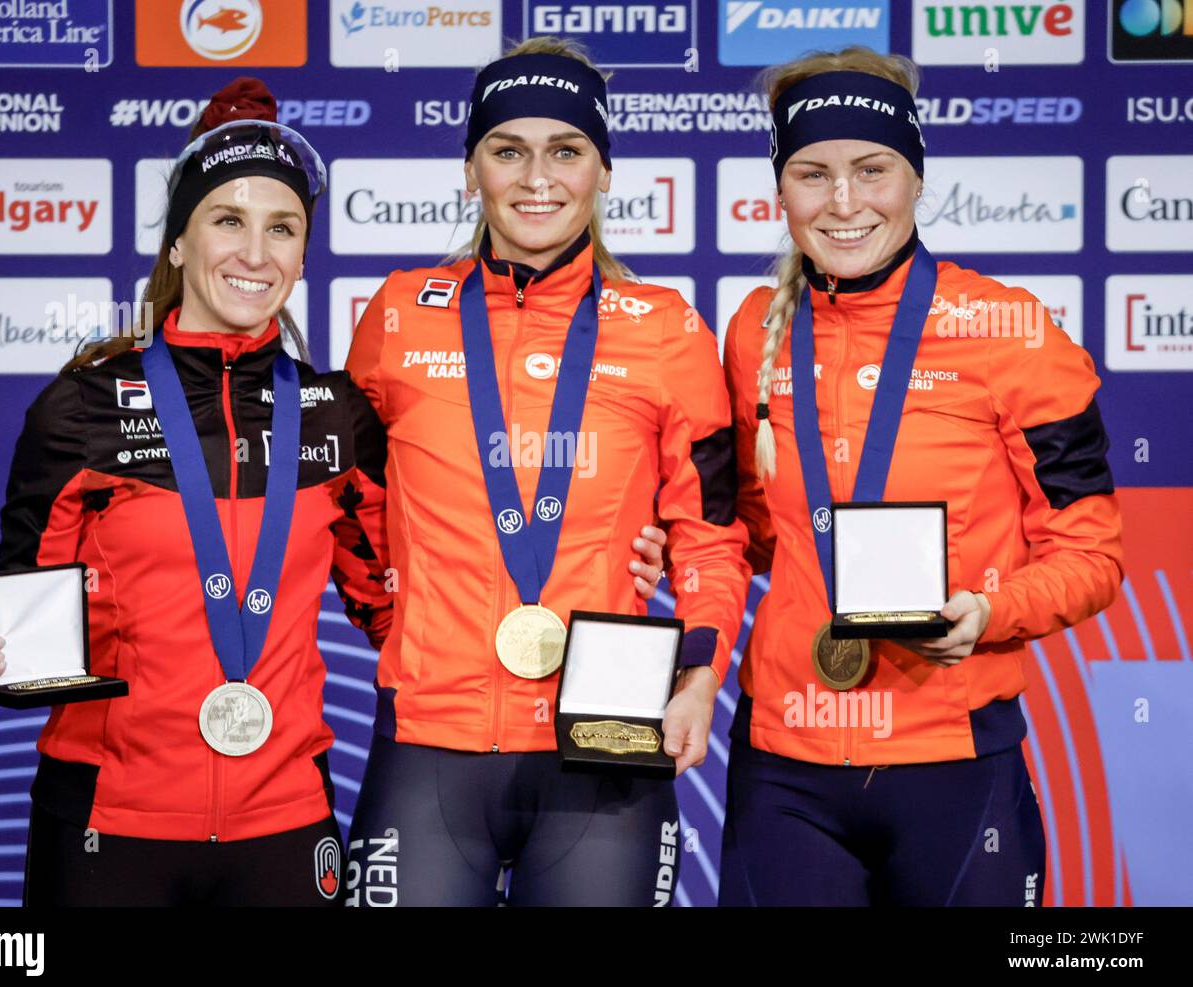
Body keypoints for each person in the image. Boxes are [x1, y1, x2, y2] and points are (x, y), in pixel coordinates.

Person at [0, 79, 392, 906]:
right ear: (178, 242)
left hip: (285, 823)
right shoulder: (80, 408)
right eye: (228, 220)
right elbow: (26, 637)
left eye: (281, 228)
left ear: (301, 254)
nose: (256, 253)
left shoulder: (338, 416)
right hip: (109, 823)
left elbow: (397, 601)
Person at [341, 37, 751, 907]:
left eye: (565, 151)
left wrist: (700, 675)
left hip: (604, 735)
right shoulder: (399, 317)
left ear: (603, 171)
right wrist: (400, 622)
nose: (537, 178)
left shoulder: (666, 330)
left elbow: (711, 537)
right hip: (430, 736)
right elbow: (351, 505)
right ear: (470, 171)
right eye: (507, 151)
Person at [715, 47, 1123, 906]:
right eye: (812, 174)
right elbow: (756, 534)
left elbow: (1092, 556)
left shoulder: (1010, 328)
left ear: (915, 178)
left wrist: (991, 612)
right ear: (779, 191)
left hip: (951, 755)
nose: (845, 202)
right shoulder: (756, 331)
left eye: (874, 170)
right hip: (786, 758)